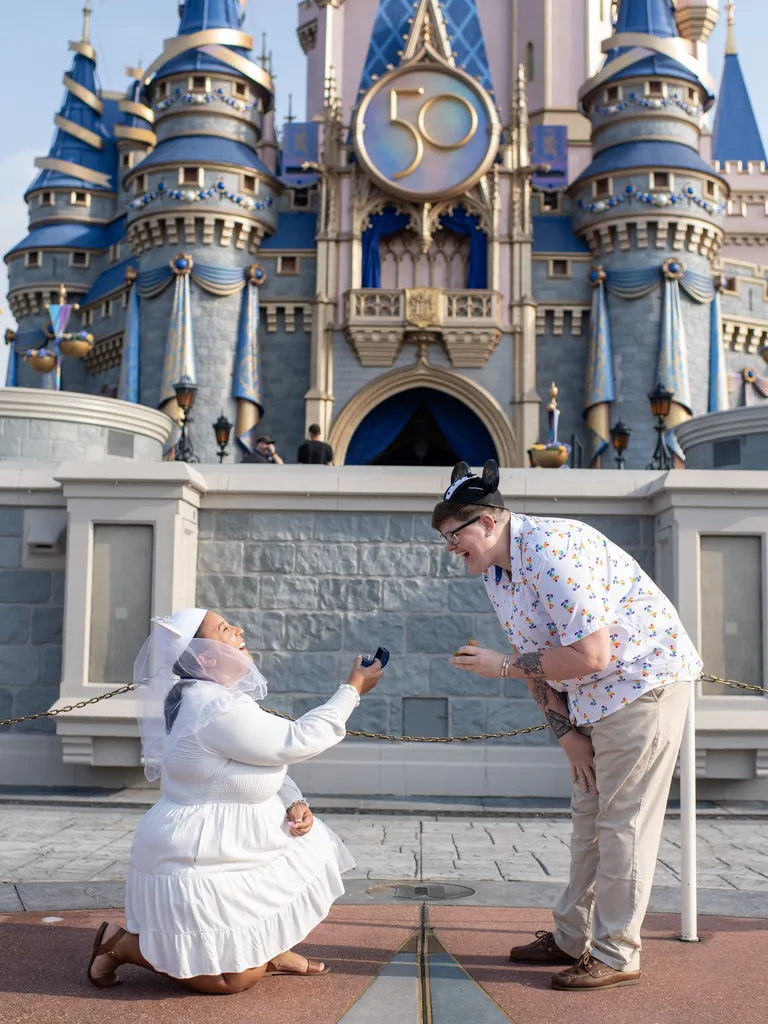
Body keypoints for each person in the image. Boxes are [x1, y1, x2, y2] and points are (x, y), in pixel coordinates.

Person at [431, 461, 702, 992]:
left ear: (487, 522)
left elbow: (592, 654)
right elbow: (535, 656)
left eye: (454, 535)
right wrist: (567, 736)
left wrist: (502, 668)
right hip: (590, 702)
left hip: (641, 685)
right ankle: (573, 938)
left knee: (622, 823)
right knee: (588, 825)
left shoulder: (554, 550)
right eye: (444, 538)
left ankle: (617, 953)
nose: (450, 547)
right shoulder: (496, 573)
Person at [86, 608, 384, 994]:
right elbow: (296, 741)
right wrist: (352, 689)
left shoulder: (214, 698)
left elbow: (256, 763)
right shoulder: (214, 708)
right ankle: (121, 945)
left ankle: (270, 951)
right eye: (225, 629)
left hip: (236, 848)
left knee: (277, 892)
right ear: (206, 659)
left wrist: (294, 800)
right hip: (200, 857)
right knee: (232, 980)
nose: (239, 630)